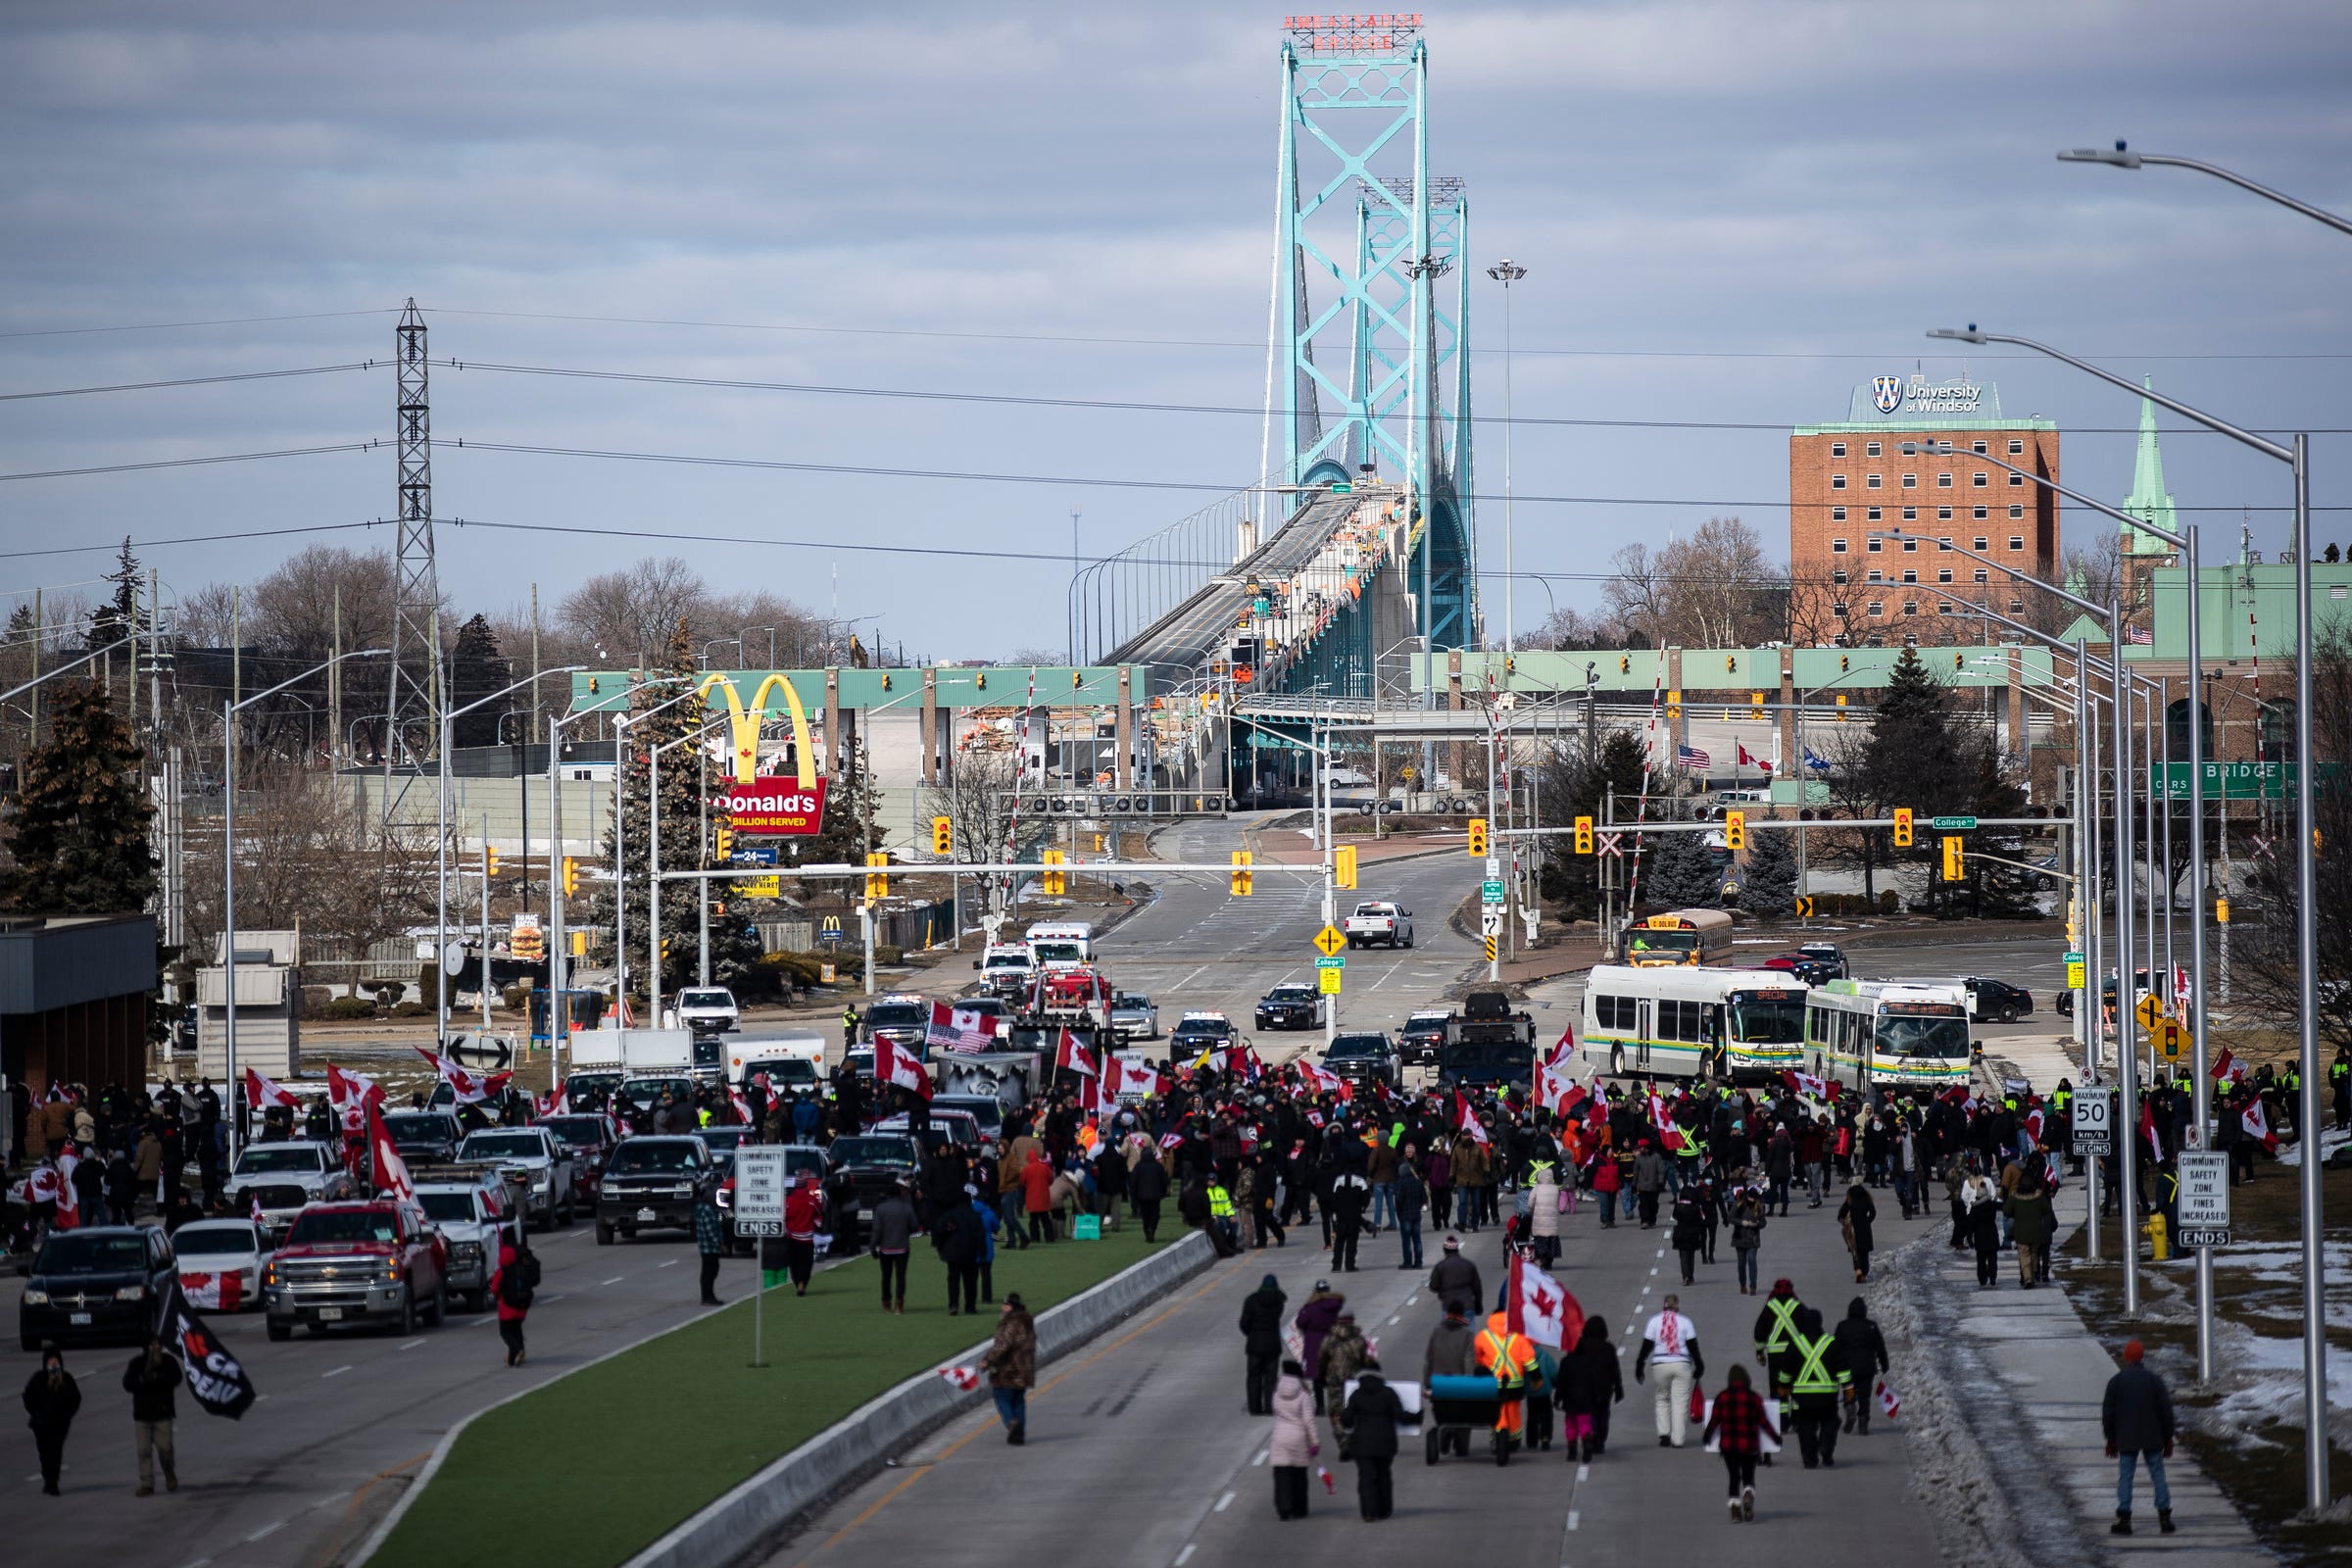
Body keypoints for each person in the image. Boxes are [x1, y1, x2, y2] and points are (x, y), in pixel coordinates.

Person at [2103, 1340, 2177, 1536]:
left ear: (2126, 1357)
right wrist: (2168, 1438)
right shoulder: (2154, 1380)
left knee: (2126, 1476)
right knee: (2158, 1474)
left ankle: (2124, 1519)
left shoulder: (2116, 1382)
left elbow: (2108, 1413)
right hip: (2153, 1437)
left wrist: (2110, 1439)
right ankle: (2164, 1517)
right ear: (2142, 1357)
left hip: (2126, 1437)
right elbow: (2165, 1412)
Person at [1702, 1363, 1778, 1523]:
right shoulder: (1754, 1398)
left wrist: (1707, 1436)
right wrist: (1775, 1437)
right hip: (1750, 1446)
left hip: (1729, 1446)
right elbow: (1763, 1422)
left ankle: (1735, 1512)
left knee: (1734, 1477)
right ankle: (1748, 1494)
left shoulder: (1722, 1397)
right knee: (1749, 1475)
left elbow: (1715, 1420)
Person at [1785, 1305, 1851, 1469]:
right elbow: (1843, 1371)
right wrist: (1849, 1391)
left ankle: (1809, 1458)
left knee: (1805, 1426)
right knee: (1830, 1421)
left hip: (1803, 1398)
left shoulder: (1795, 1343)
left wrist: (1782, 1388)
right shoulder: (1831, 1343)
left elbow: (1786, 1371)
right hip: (1827, 1396)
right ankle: (1826, 1448)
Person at [1634, 1293, 1704, 1447]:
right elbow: (1693, 1346)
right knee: (1679, 1402)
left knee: (1662, 1397)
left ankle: (1664, 1434)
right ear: (1677, 1305)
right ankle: (1678, 1439)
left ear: (1663, 1304)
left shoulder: (1654, 1321)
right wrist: (1699, 1365)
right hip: (1682, 1363)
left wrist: (1639, 1365)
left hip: (1660, 1363)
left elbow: (1646, 1346)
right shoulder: (1686, 1322)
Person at [1341, 1363, 1405, 1521]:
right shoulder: (1389, 1393)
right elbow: (1400, 1415)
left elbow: (1347, 1421)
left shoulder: (1356, 1394)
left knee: (1366, 1477)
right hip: (1385, 1442)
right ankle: (1384, 1510)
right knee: (1384, 1475)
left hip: (1362, 1444)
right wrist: (1417, 1416)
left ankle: (1369, 1512)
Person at [1555, 1313, 1625, 1461]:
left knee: (1586, 1417)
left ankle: (1589, 1438)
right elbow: (1615, 1369)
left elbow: (1563, 1378)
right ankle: (1600, 1440)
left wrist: (1558, 1397)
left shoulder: (1580, 1351)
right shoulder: (1609, 1348)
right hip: (1605, 1388)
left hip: (1584, 1389)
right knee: (1603, 1414)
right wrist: (1618, 1388)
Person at [122, 1335, 182, 1495]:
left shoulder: (168, 1361)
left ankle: (169, 1473)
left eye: (158, 1344)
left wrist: (159, 1377)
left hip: (163, 1413)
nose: (155, 1347)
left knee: (165, 1449)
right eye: (152, 1344)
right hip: (142, 1415)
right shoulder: (137, 1364)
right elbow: (127, 1384)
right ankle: (147, 1483)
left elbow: (177, 1378)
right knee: (143, 1450)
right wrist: (141, 1380)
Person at [21, 1342, 79, 1495]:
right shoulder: (38, 1378)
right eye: (50, 1361)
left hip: (60, 1424)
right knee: (44, 1452)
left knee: (55, 1451)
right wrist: (35, 1413)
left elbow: (75, 1398)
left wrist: (67, 1415)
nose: (53, 1364)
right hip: (41, 1424)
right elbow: (27, 1397)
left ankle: (53, 1482)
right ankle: (47, 1478)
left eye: (56, 1361)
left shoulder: (66, 1379)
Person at [1474, 1309, 1538, 1452]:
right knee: (1513, 1412)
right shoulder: (1519, 1337)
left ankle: (1497, 1438)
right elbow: (1529, 1361)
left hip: (1492, 1385)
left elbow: (1477, 1359)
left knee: (1496, 1412)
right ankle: (1514, 1440)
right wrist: (1536, 1378)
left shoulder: (1483, 1336)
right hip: (1515, 1385)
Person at [981, 1294, 1036, 1446]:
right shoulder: (1027, 1321)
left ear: (1011, 1307)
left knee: (1001, 1397)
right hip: (1024, 1371)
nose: (1002, 1308)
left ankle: (1011, 1422)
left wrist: (987, 1360)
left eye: (1005, 1305)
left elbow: (1003, 1345)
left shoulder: (1011, 1323)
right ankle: (1019, 1435)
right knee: (1019, 1401)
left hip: (1007, 1370)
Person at [1269, 1356, 1318, 1519]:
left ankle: (1284, 1507)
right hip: (1298, 1438)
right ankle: (1299, 1508)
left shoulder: (1276, 1393)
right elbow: (1308, 1421)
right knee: (1299, 1476)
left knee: (1281, 1474)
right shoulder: (1303, 1395)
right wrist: (1315, 1442)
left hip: (1280, 1437)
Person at [1318, 1310, 1373, 1454]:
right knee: (1356, 1410)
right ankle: (1355, 1438)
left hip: (1335, 1382)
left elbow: (1321, 1360)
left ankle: (1343, 1441)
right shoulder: (1359, 1340)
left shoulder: (1329, 1339)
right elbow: (1365, 1361)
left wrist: (1321, 1377)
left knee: (1336, 1413)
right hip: (1355, 1382)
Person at [1833, 1297, 1889, 1434]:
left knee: (1849, 1390)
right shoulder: (1871, 1325)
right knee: (1864, 1395)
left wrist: (1833, 1365)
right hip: (1866, 1368)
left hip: (1847, 1368)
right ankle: (1863, 1420)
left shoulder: (1842, 1326)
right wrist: (1884, 1364)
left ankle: (1850, 1406)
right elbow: (1880, 1347)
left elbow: (1835, 1348)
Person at [1238, 1273, 1288, 1415]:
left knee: (1254, 1376)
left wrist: (1252, 1334)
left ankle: (1255, 1408)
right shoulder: (1279, 1302)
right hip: (1273, 1343)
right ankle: (1269, 1407)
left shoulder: (1251, 1301)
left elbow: (1244, 1324)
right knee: (1270, 1377)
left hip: (1254, 1343)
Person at [1295, 1281, 1346, 1414]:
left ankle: (1320, 1406)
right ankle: (1335, 1404)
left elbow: (1300, 1322)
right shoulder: (1335, 1305)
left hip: (1314, 1342)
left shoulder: (1311, 1307)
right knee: (1332, 1374)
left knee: (1316, 1376)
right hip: (1331, 1340)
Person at [2005, 1163, 2056, 1290]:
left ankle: (2028, 1278)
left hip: (2021, 1232)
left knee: (2024, 1255)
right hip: (2036, 1231)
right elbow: (2047, 1209)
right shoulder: (2039, 1197)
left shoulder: (2015, 1197)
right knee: (2034, 1254)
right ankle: (2032, 1275)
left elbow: (2006, 1211)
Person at [871, 1179, 917, 1314]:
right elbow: (914, 1226)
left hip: (885, 1248)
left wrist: (873, 1246)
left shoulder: (881, 1209)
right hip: (902, 1246)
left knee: (886, 1276)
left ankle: (886, 1301)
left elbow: (877, 1230)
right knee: (900, 1276)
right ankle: (899, 1303)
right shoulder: (907, 1208)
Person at [491, 1235, 534, 1366]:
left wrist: (498, 1296)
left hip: (507, 1307)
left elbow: (494, 1287)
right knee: (516, 1330)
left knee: (505, 1333)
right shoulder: (520, 1268)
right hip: (521, 1307)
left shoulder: (502, 1271)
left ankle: (516, 1350)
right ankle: (516, 1355)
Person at [783, 1175, 822, 1296]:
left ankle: (798, 1283)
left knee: (793, 1263)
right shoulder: (811, 1200)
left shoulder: (788, 1201)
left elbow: (783, 1216)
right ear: (806, 1186)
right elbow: (820, 1214)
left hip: (792, 1237)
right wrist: (817, 1224)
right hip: (807, 1238)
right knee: (806, 1263)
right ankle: (802, 1283)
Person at [1427, 1235, 1482, 1318]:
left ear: (1445, 1250)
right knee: (1468, 1330)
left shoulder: (1440, 1266)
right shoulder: (1469, 1265)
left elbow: (1433, 1286)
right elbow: (1477, 1288)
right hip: (1467, 1305)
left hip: (1448, 1306)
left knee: (1447, 1330)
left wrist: (1443, 1291)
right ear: (1457, 1250)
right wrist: (1478, 1306)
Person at [1730, 1187, 1768, 1296]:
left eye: (1753, 1199)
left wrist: (1756, 1224)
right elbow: (1731, 1217)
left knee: (1752, 1261)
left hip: (1753, 1238)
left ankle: (1753, 1286)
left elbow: (1763, 1222)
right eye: (1750, 1198)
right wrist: (1742, 1222)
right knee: (1741, 1264)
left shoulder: (1758, 1206)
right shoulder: (1739, 1204)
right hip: (1739, 1237)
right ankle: (1743, 1284)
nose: (1751, 1200)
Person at [1129, 1138, 1168, 1243]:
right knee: (1155, 1214)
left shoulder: (1138, 1167)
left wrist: (1134, 1195)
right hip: (1156, 1195)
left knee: (1145, 1215)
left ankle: (1147, 1230)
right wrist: (1164, 1192)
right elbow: (1164, 1180)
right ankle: (1152, 1229)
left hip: (1142, 1196)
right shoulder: (1158, 1166)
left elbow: (1133, 1182)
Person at [1838, 1181, 1878, 1283]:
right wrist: (1867, 1221)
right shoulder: (1867, 1198)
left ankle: (1859, 1273)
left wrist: (1845, 1224)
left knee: (1856, 1254)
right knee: (1864, 1254)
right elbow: (1873, 1213)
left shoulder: (1850, 1199)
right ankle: (1864, 1273)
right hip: (1865, 1229)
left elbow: (1841, 1214)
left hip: (1853, 1230)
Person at [1670, 1185, 1707, 1286]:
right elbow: (1701, 1218)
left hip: (1681, 1233)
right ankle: (1690, 1275)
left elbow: (1675, 1216)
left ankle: (1685, 1275)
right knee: (1691, 1255)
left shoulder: (1678, 1206)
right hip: (1693, 1233)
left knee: (1683, 1256)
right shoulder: (1696, 1207)